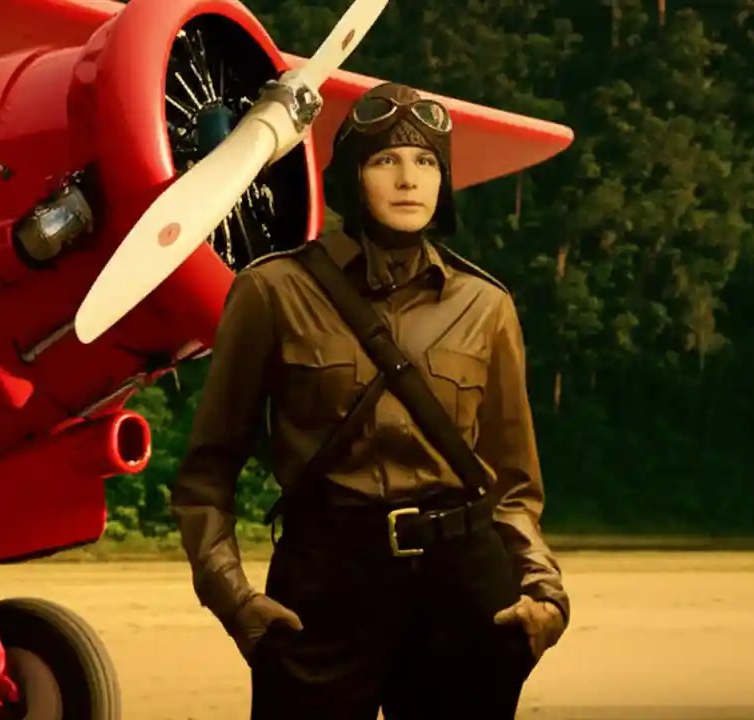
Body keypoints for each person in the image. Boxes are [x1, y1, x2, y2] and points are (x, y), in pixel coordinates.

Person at [170, 81, 569, 719]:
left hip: (464, 587)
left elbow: (514, 483)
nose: (409, 178)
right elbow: (206, 473)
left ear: (443, 183)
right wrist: (233, 597)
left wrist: (545, 593)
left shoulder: (486, 305)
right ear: (352, 178)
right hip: (323, 584)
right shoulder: (272, 291)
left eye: (426, 162)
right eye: (385, 160)